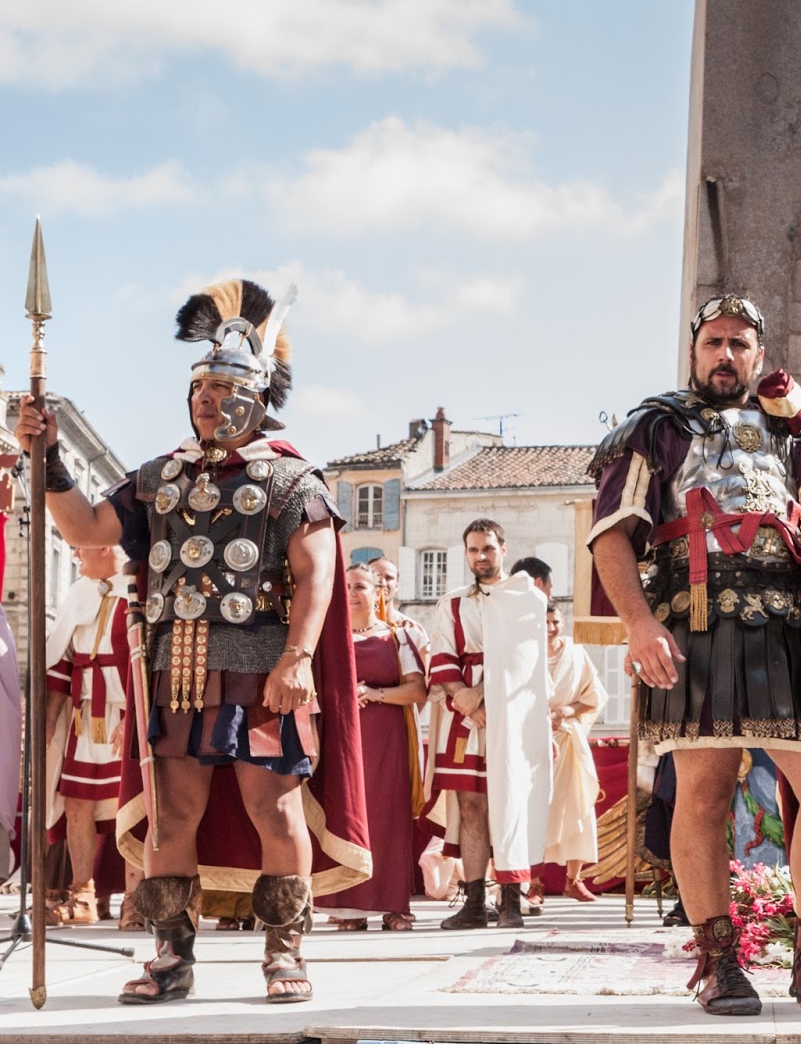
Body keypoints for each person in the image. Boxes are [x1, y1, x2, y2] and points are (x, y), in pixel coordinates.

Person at [16, 279, 370, 1004]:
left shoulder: (292, 479)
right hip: (178, 662)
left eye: (220, 387)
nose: (206, 399)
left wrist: (298, 659)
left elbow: (317, 577)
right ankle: (172, 959)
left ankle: (283, 954)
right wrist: (48, 460)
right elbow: (87, 532)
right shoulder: (160, 478)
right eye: (199, 386)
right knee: (173, 814)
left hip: (261, 657)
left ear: (258, 394)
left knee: (273, 809)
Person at [589, 294, 801, 1015]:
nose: (726, 355)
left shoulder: (795, 437)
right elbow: (611, 535)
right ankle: (720, 962)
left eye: (739, 344)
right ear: (694, 349)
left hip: (785, 631)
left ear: (759, 352)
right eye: (714, 341)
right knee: (704, 794)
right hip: (695, 626)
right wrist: (637, 624)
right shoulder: (655, 429)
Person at [423, 518, 551, 930]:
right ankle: (476, 901)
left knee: (510, 803)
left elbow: (525, 661)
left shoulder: (527, 598)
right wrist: (464, 699)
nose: (481, 556)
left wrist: (481, 695)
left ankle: (511, 900)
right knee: (472, 808)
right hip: (463, 719)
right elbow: (441, 657)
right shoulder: (452, 603)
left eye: (489, 549)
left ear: (503, 549)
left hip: (510, 713)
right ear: (465, 554)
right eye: (474, 549)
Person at [320, 562, 427, 931]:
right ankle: (351, 907)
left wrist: (376, 693)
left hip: (387, 738)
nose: (352, 593)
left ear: (378, 592)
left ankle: (395, 905)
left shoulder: (395, 637)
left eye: (361, 586)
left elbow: (417, 690)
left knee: (388, 816)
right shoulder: (328, 640)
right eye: (347, 586)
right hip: (342, 737)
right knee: (348, 814)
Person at [41, 546, 136, 926]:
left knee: (130, 806)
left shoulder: (137, 589)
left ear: (105, 547)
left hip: (122, 716)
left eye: (82, 546)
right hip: (84, 721)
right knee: (76, 805)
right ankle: (83, 895)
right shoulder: (79, 593)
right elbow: (62, 662)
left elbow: (145, 661)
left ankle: (136, 898)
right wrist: (49, 719)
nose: (76, 553)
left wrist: (131, 717)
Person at [543, 604, 606, 901]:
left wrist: (568, 709)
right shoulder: (525, 653)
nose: (551, 628)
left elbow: (594, 696)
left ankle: (573, 879)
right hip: (533, 742)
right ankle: (532, 883)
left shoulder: (576, 653)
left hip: (569, 740)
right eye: (544, 622)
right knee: (536, 810)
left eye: (555, 622)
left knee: (579, 807)